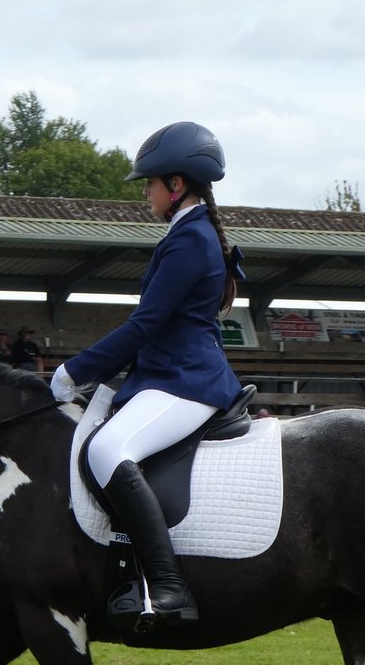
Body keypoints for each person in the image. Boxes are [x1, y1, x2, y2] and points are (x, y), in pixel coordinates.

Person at [50, 121, 244, 630]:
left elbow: (146, 324)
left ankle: (168, 584)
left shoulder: (191, 240)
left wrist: (75, 370)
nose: (145, 192)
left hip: (186, 380)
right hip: (168, 373)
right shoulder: (189, 233)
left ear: (176, 184)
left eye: (150, 183)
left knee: (107, 450)